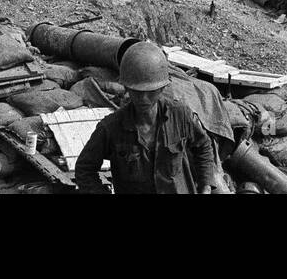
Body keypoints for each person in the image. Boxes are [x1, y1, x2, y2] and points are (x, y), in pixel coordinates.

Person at [74, 41, 217, 194]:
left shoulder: (180, 116)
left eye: (150, 92)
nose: (143, 99)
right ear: (127, 87)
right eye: (137, 91)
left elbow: (203, 146)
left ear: (162, 88)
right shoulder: (111, 128)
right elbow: (84, 169)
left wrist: (205, 187)